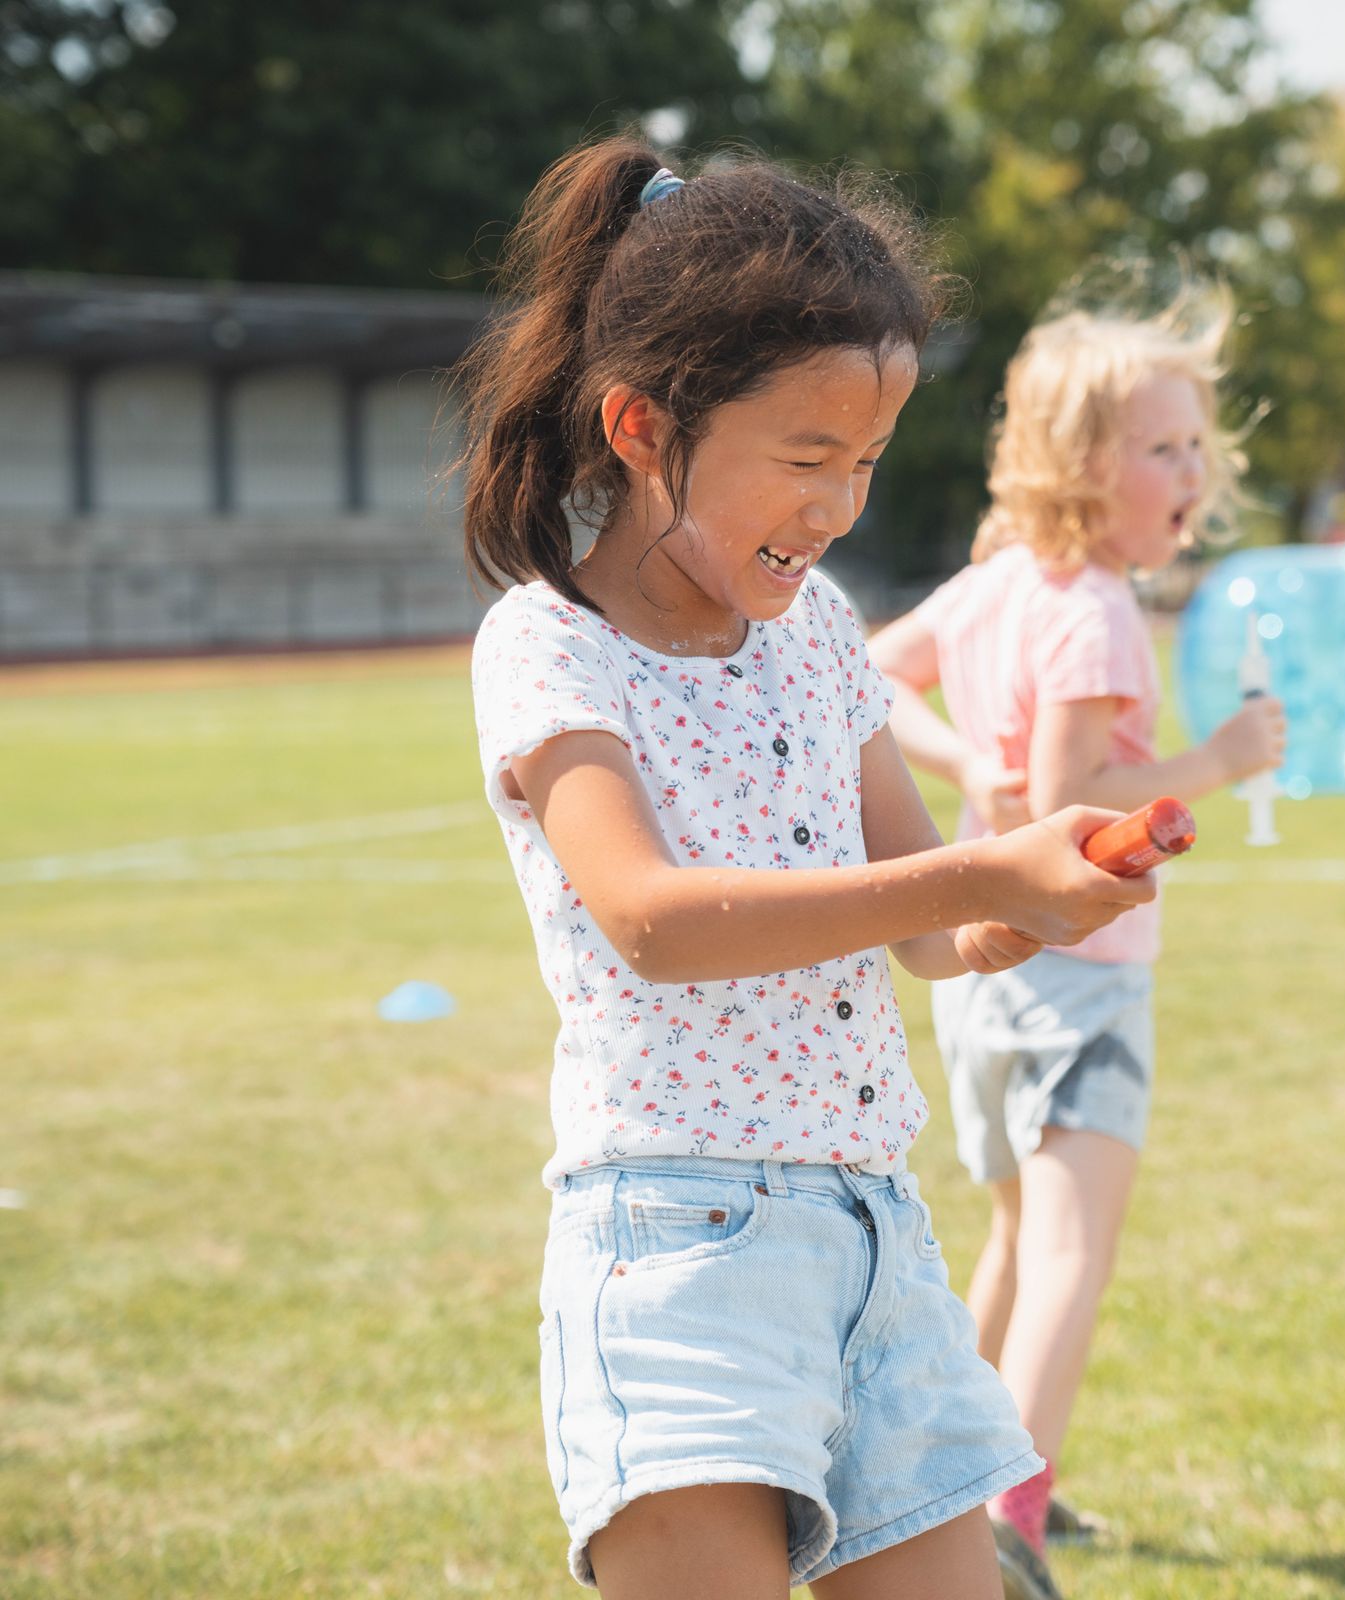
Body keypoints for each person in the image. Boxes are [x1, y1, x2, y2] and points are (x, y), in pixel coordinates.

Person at [459, 137, 1158, 1600]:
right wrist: (978, 883)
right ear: (642, 426)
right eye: (803, 460)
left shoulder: (823, 630)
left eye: (866, 464)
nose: (839, 508)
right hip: (678, 1257)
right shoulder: (549, 645)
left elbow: (924, 920)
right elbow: (652, 922)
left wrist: (1019, 908)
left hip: (877, 1237)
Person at [869, 299, 1286, 1591]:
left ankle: (947, 1493)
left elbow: (869, 673)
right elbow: (1071, 805)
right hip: (1074, 974)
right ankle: (1010, 1523)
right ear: (1081, 464)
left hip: (984, 975)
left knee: (1015, 1238)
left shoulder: (996, 583)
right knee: (1069, 1250)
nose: (1194, 471)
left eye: (1196, 445)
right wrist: (1217, 762)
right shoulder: (1095, 608)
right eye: (1163, 447)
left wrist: (957, 759)